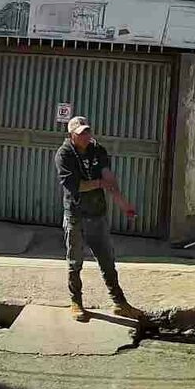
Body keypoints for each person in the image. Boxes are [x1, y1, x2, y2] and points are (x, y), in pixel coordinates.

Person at [54, 116, 145, 323]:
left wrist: (124, 205)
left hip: (97, 213)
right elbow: (75, 186)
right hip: (76, 214)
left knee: (107, 261)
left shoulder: (98, 150)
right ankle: (76, 302)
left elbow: (108, 179)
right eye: (81, 134)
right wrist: (100, 183)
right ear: (71, 135)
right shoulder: (64, 154)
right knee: (75, 262)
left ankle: (120, 303)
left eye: (87, 132)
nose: (85, 136)